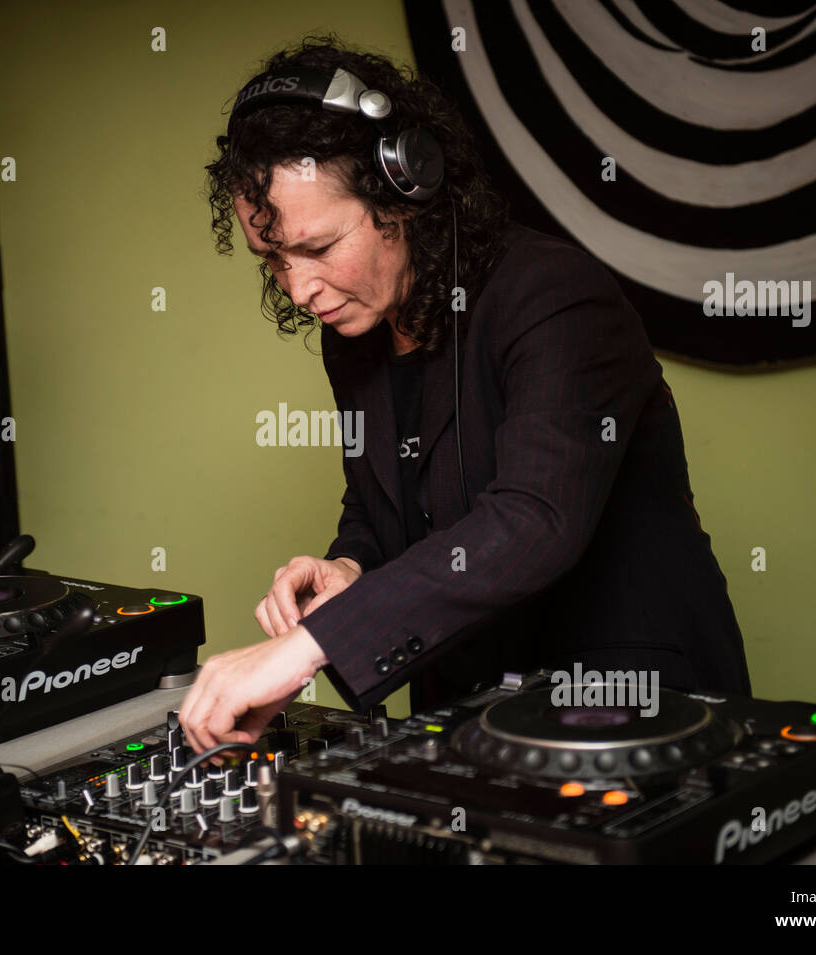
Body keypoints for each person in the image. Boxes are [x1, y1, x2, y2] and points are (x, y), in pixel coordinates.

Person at [177, 36, 750, 757]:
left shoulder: (554, 297)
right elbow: (383, 502)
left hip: (636, 706)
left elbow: (533, 519)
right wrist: (349, 568)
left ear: (403, 191)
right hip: (471, 714)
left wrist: (310, 647)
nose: (298, 288)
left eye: (318, 249)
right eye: (274, 260)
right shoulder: (355, 330)